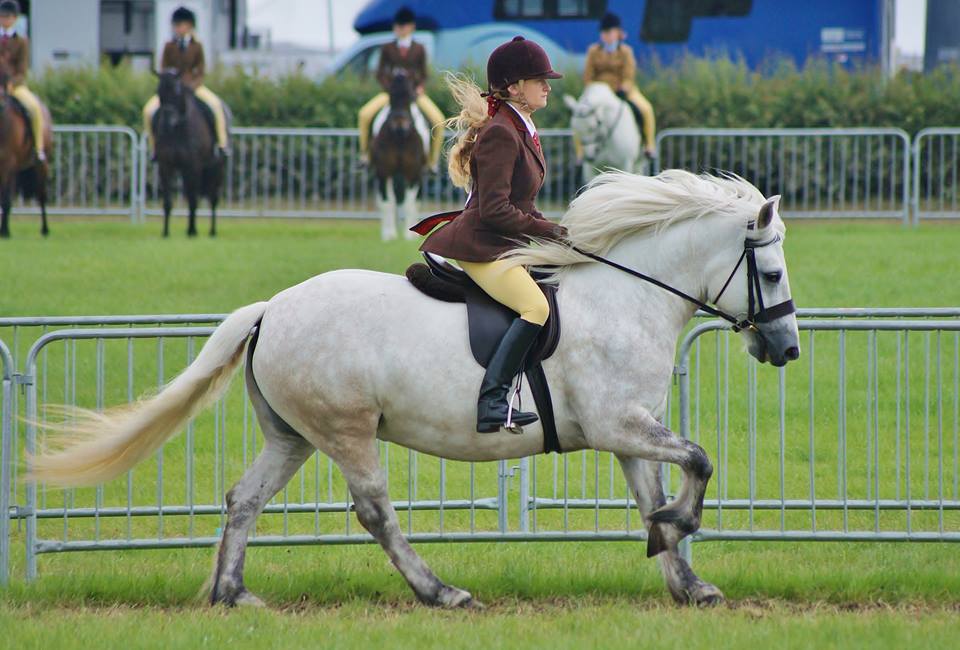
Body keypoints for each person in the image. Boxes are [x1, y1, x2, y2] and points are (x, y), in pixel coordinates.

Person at [416, 37, 567, 434]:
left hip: (500, 242)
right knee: (537, 308)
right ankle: (493, 402)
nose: (548, 86)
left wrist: (559, 233)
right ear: (515, 86)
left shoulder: (521, 127)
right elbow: (497, 209)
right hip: (482, 245)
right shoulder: (502, 131)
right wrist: (547, 231)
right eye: (540, 80)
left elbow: (523, 203)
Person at [357, 7, 444, 172]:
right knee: (364, 114)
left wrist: (419, 87)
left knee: (438, 121)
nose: (399, 29)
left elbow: (424, 73)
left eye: (403, 26)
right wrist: (389, 89)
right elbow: (380, 73)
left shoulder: (419, 49)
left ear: (411, 27)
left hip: (413, 95)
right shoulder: (387, 48)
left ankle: (432, 162)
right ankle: (365, 155)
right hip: (390, 94)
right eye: (397, 26)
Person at [142, 6, 229, 158]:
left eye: (181, 25)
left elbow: (201, 70)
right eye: (176, 25)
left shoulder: (197, 46)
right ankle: (154, 147)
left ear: (189, 26)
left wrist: (192, 86)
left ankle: (221, 145)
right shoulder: (169, 46)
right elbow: (164, 67)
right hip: (171, 90)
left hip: (193, 87)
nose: (178, 28)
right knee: (148, 111)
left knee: (216, 106)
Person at [580, 11, 656, 160]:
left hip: (622, 90)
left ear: (617, 33)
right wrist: (593, 90)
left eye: (609, 32)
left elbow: (629, 75)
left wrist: (624, 88)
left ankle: (649, 145)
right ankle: (580, 151)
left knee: (646, 109)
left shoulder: (626, 52)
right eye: (603, 32)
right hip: (598, 93)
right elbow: (588, 76)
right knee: (580, 113)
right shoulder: (593, 51)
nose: (606, 35)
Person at [0, 0, 46, 162]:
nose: (5, 20)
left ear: (15, 19)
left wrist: (12, 84)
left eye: (9, 17)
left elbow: (22, 69)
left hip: (15, 86)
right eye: (3, 16)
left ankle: (39, 148)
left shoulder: (22, 41)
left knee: (34, 108)